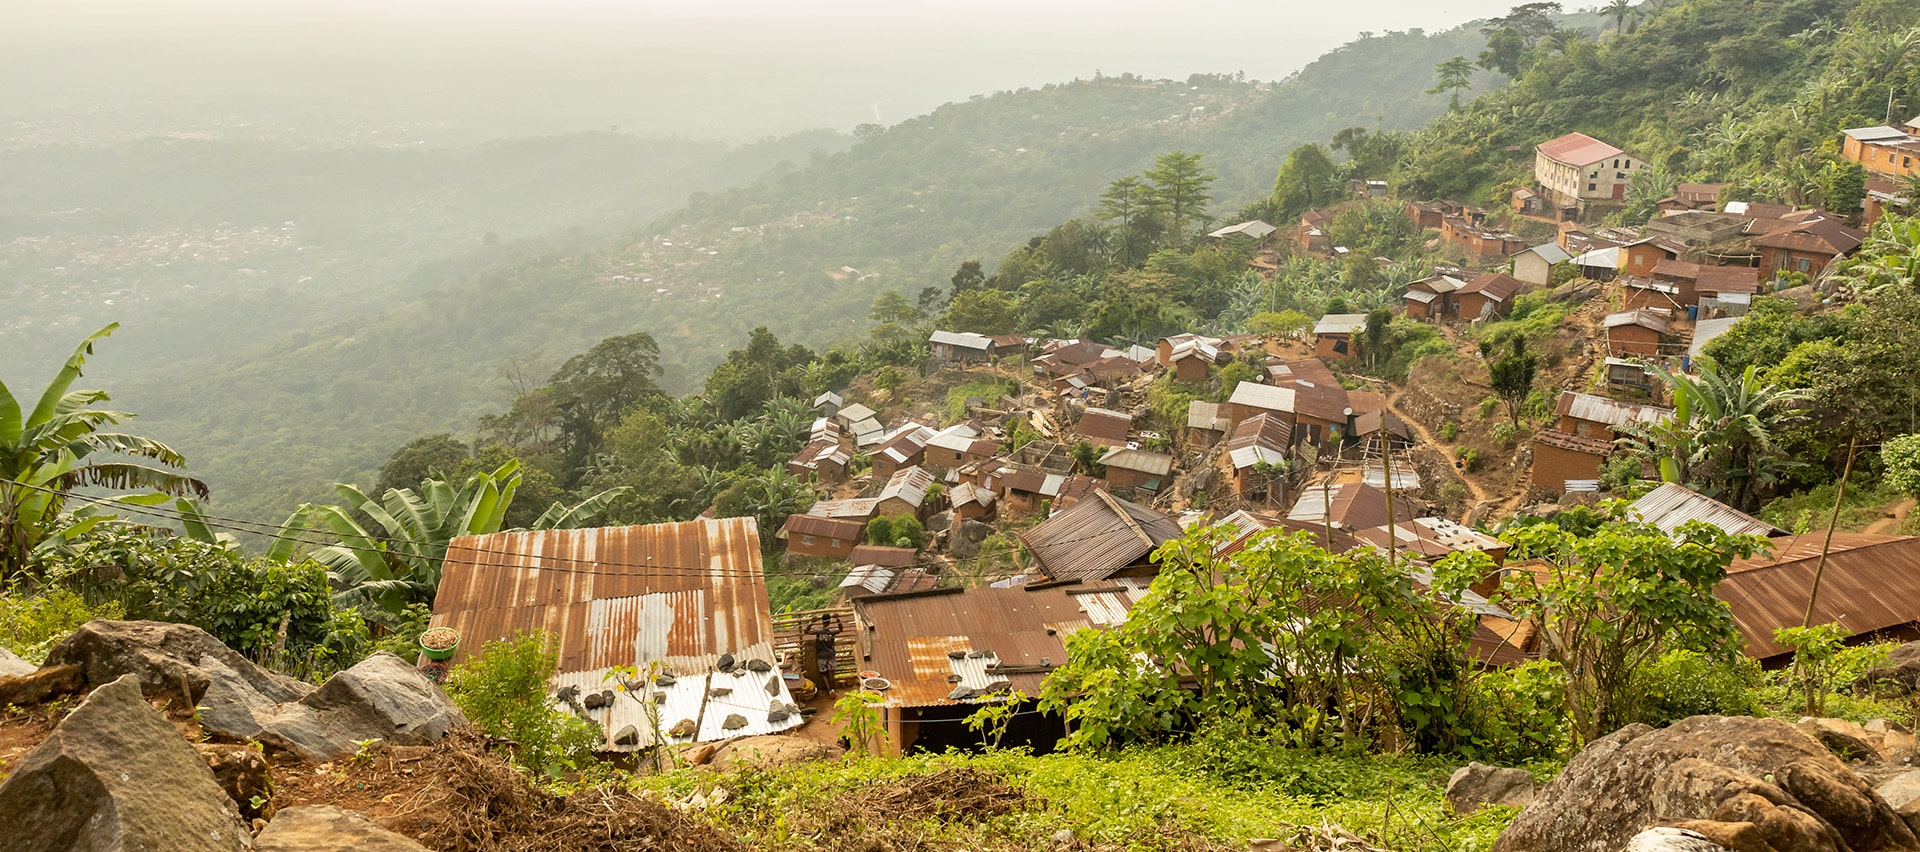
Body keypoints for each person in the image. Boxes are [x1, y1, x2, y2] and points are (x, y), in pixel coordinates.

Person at [811, 612, 843, 696]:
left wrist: (812, 621)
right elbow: (840, 629)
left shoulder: (818, 632)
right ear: (829, 622)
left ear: (822, 621)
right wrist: (837, 618)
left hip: (821, 655)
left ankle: (829, 689)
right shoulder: (832, 632)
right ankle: (833, 689)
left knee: (823, 673)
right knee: (831, 672)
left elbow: (806, 631)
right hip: (830, 654)